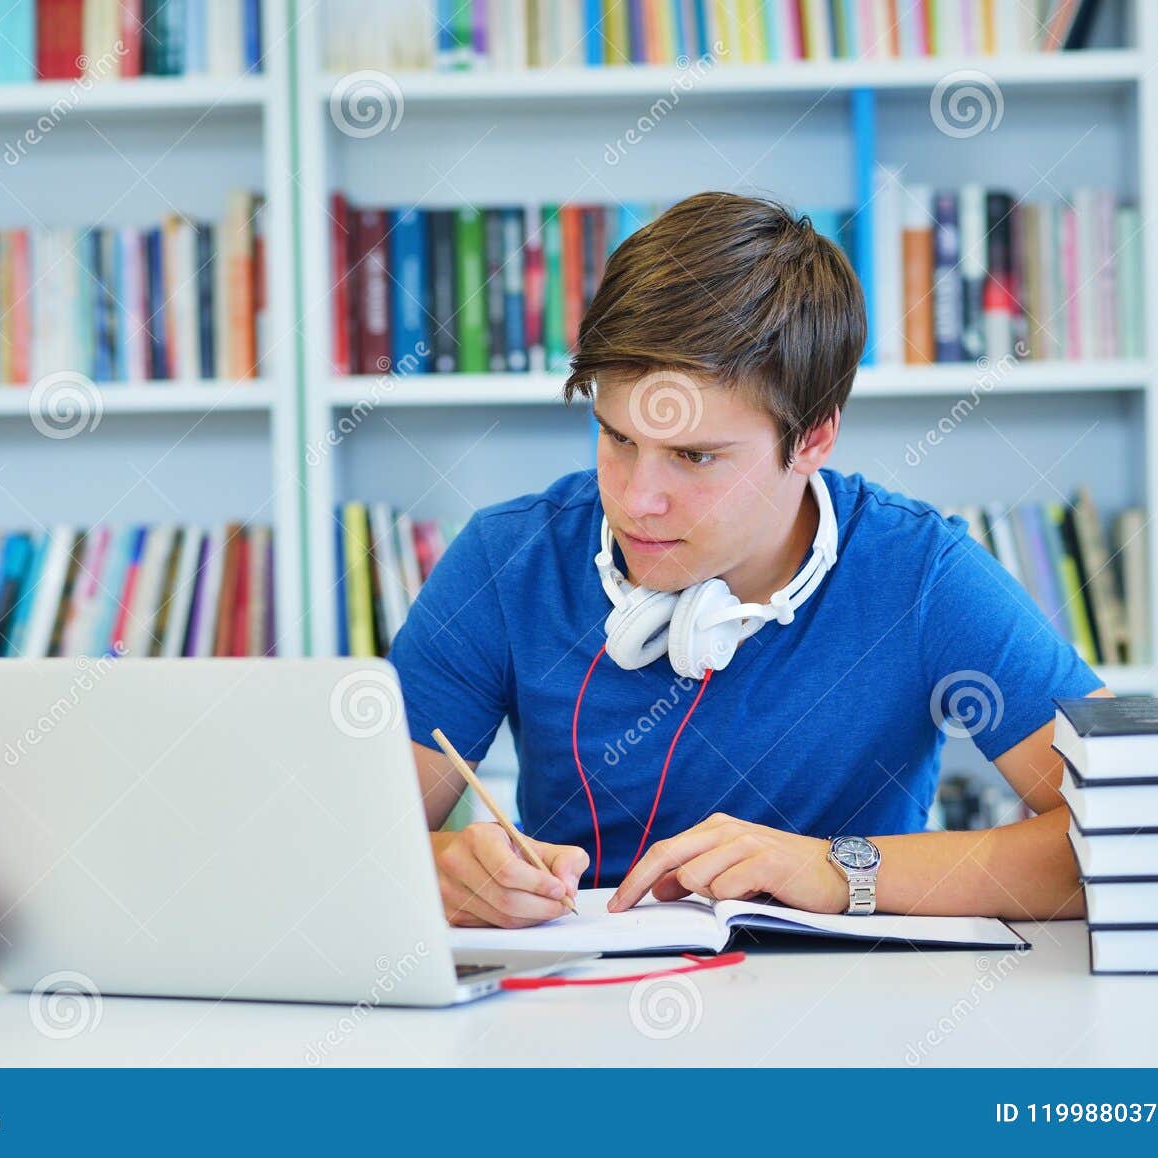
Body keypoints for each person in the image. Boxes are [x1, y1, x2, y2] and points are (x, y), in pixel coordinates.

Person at [386, 190, 1113, 929]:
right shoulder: (506, 560)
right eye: (618, 438)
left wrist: (837, 869)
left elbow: (1132, 834)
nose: (638, 500)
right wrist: (435, 871)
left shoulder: (920, 574)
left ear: (814, 440)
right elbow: (343, 851)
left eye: (695, 456)